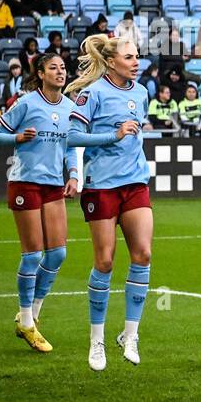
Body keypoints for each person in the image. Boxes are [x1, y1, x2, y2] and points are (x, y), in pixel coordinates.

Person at [65, 35, 152, 371]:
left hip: (135, 183)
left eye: (137, 56)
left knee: (142, 253)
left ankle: (130, 335)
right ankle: (96, 341)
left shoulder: (142, 93)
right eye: (129, 57)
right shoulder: (93, 93)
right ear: (112, 61)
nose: (136, 62)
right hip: (101, 186)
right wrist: (111, 136)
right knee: (104, 261)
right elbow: (71, 137)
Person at [0, 53, 88, 352]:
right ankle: (28, 323)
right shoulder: (27, 103)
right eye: (54, 68)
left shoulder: (71, 108)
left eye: (63, 68)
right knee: (32, 256)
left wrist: (73, 175)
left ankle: (30, 315)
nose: (61, 72)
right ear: (41, 73)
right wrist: (17, 137)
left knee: (57, 254)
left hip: (53, 185)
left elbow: (70, 147)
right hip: (25, 182)